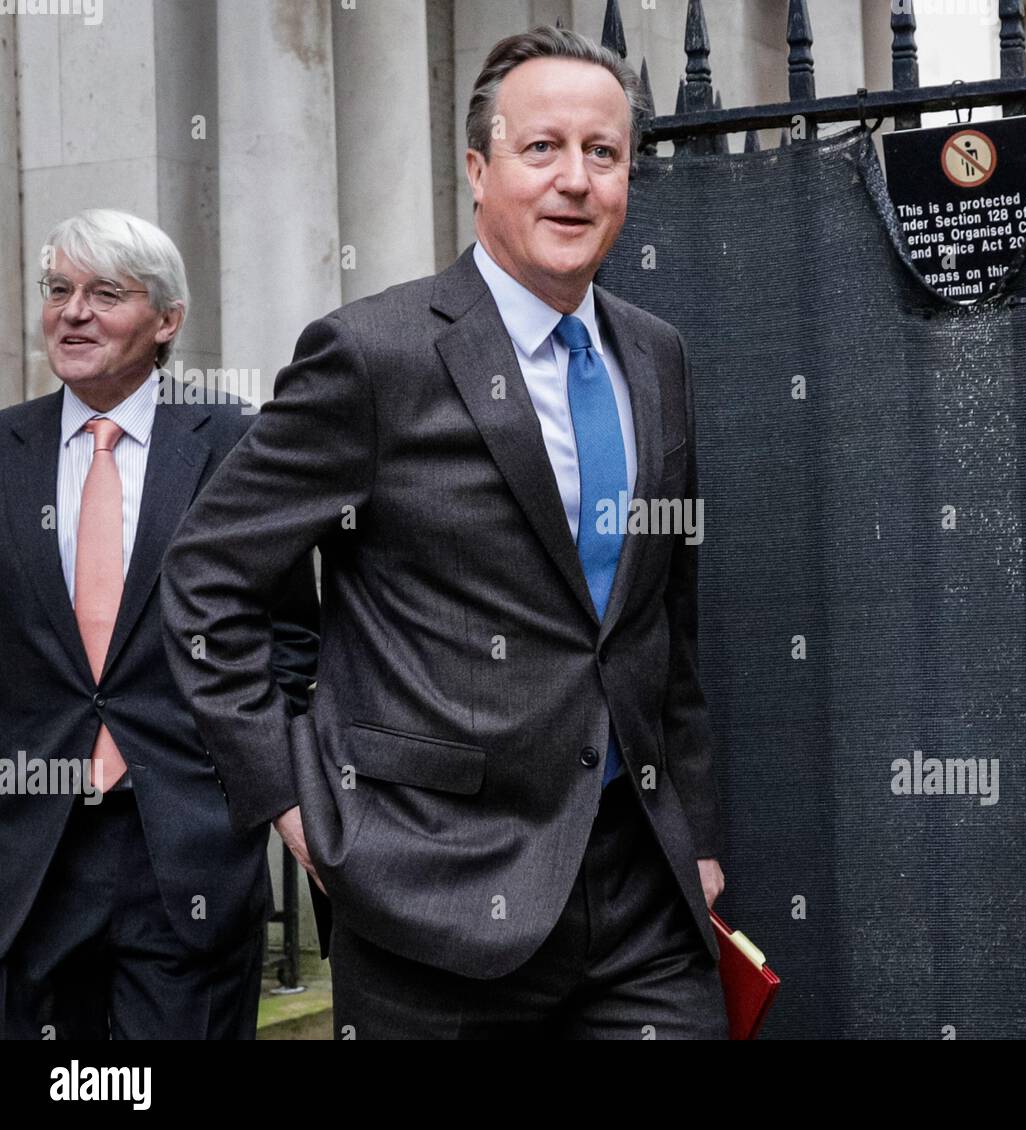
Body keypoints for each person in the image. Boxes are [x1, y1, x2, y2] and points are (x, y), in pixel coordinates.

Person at [162, 26, 728, 1039]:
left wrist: (695, 832)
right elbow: (209, 578)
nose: (575, 180)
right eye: (541, 148)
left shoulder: (657, 355)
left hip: (640, 897)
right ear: (477, 168)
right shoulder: (374, 354)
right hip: (432, 895)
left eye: (602, 153)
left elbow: (662, 622)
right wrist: (295, 803)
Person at [0, 209, 319, 1040]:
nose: (73, 313)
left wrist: (238, 783)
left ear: (167, 320)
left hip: (185, 842)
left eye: (106, 293)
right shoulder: (3, 450)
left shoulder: (237, 447)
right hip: (31, 849)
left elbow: (289, 635)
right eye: (59, 290)